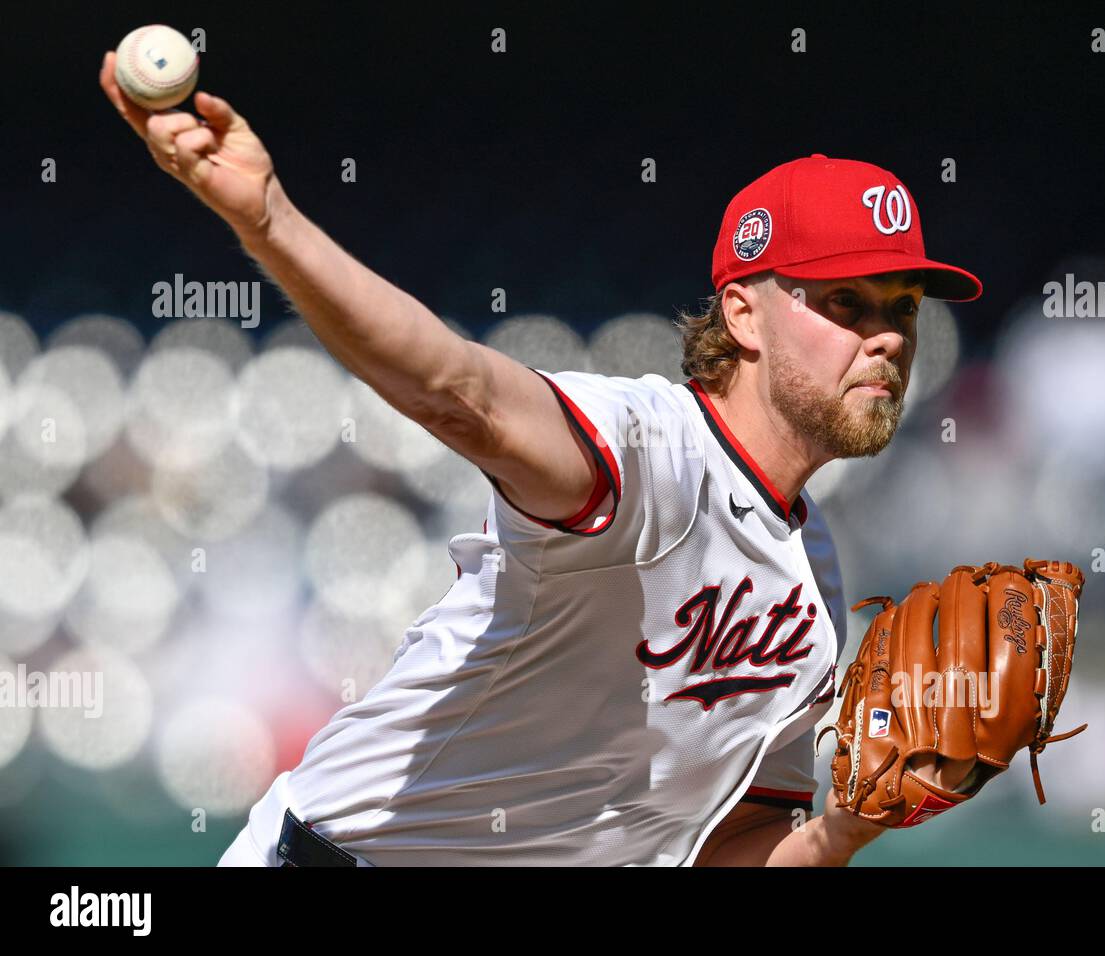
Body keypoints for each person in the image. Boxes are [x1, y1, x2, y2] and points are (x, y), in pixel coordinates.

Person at [100, 52, 982, 866]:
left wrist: (852, 824)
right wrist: (270, 221)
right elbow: (460, 392)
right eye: (847, 301)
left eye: (901, 309)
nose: (884, 338)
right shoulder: (648, 451)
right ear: (743, 315)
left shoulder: (814, 576)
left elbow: (734, 845)